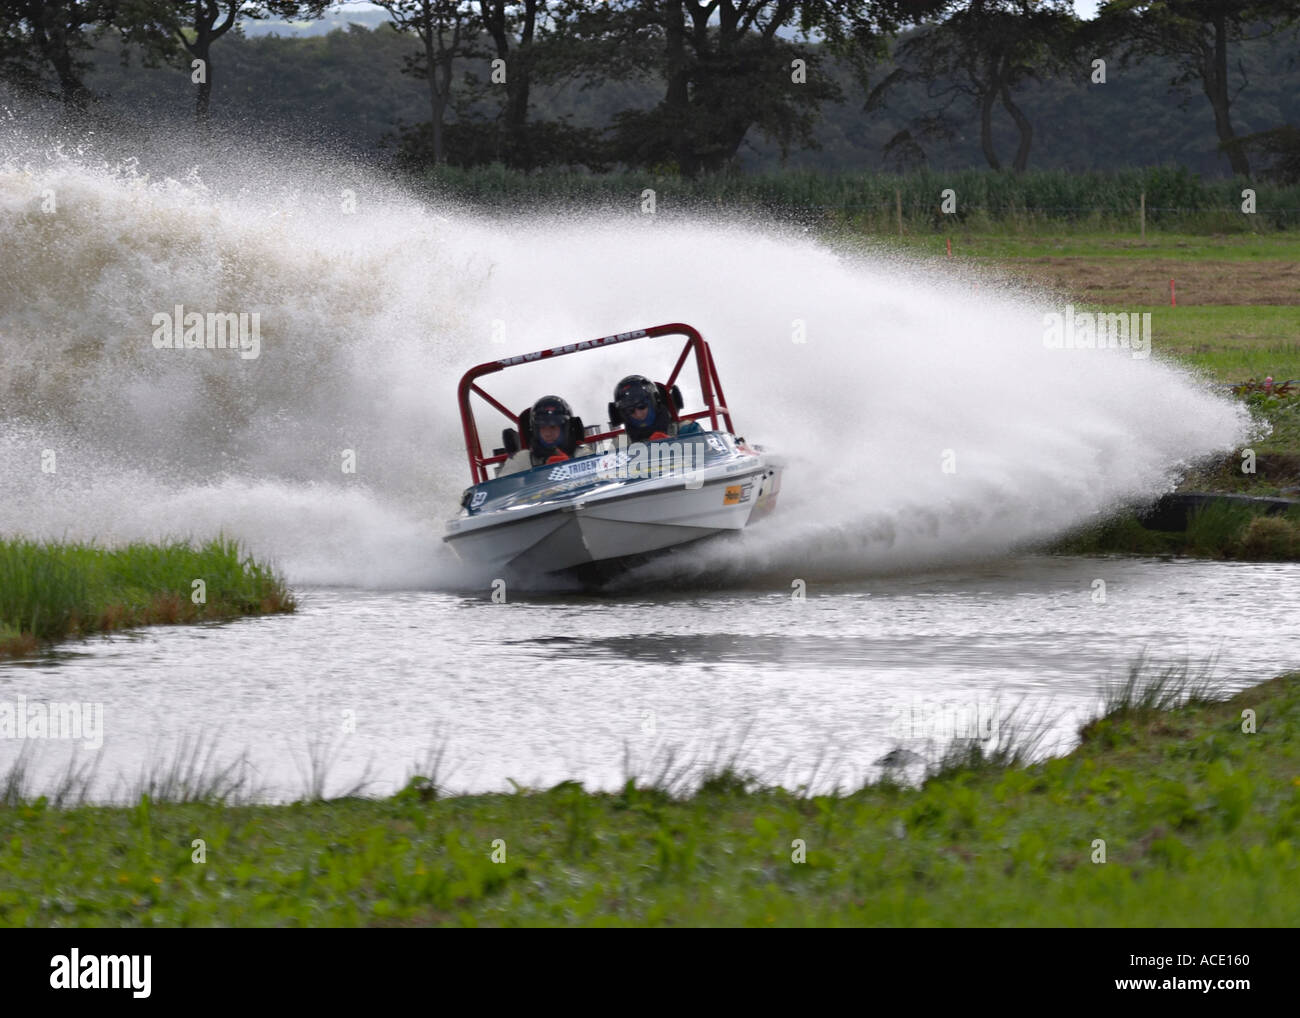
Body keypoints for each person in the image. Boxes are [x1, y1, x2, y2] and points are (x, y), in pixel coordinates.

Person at [498, 395, 592, 476]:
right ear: (535, 430)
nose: (547, 433)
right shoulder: (522, 459)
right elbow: (502, 489)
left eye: (552, 427)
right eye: (542, 427)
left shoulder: (581, 454)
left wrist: (569, 467)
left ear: (565, 428)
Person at [612, 374, 703, 442]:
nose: (638, 414)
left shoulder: (687, 428)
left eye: (641, 406)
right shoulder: (621, 443)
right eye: (630, 410)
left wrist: (674, 445)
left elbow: (709, 456)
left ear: (654, 402)